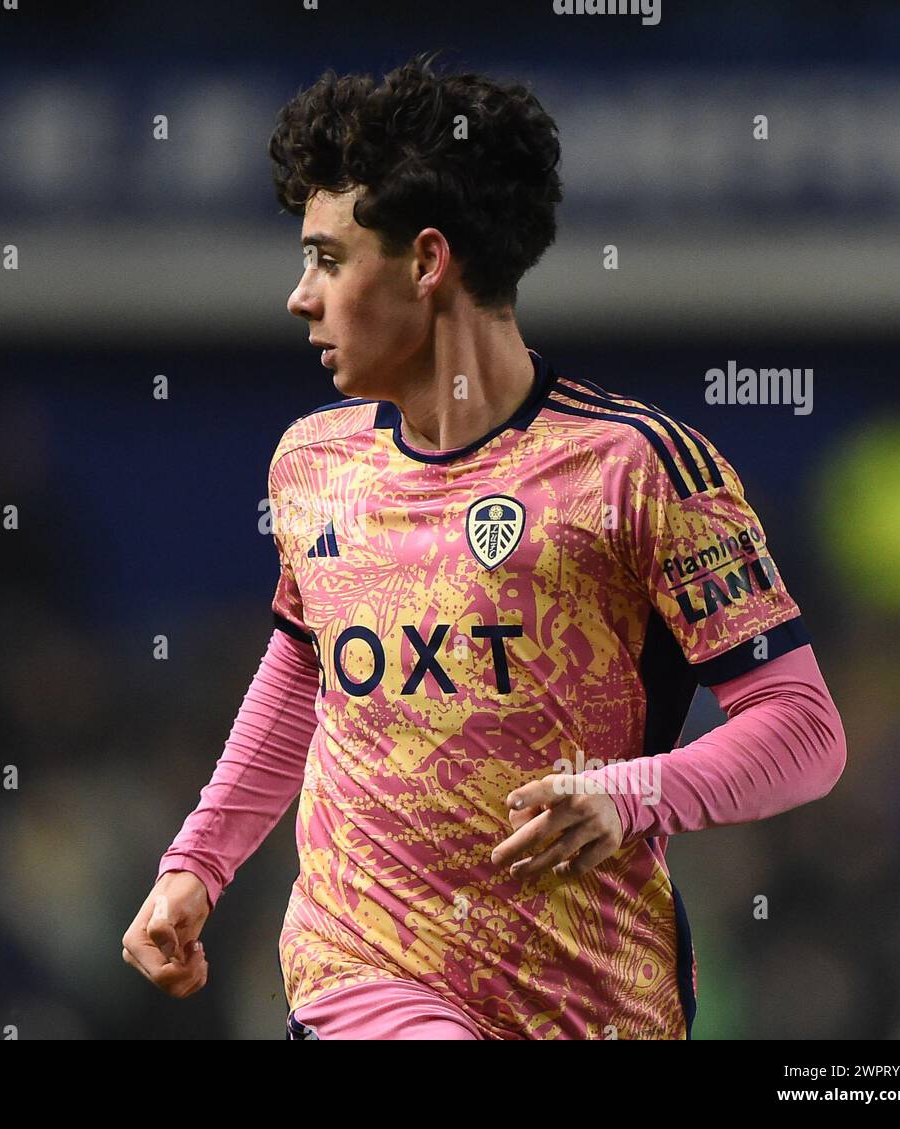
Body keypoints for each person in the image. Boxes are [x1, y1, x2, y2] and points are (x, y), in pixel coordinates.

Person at [121, 51, 846, 1040]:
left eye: (328, 259)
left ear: (425, 263)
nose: (299, 296)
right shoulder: (313, 464)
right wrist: (196, 862)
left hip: (593, 1002)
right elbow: (304, 671)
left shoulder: (636, 470)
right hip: (359, 971)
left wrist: (637, 794)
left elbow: (803, 727)